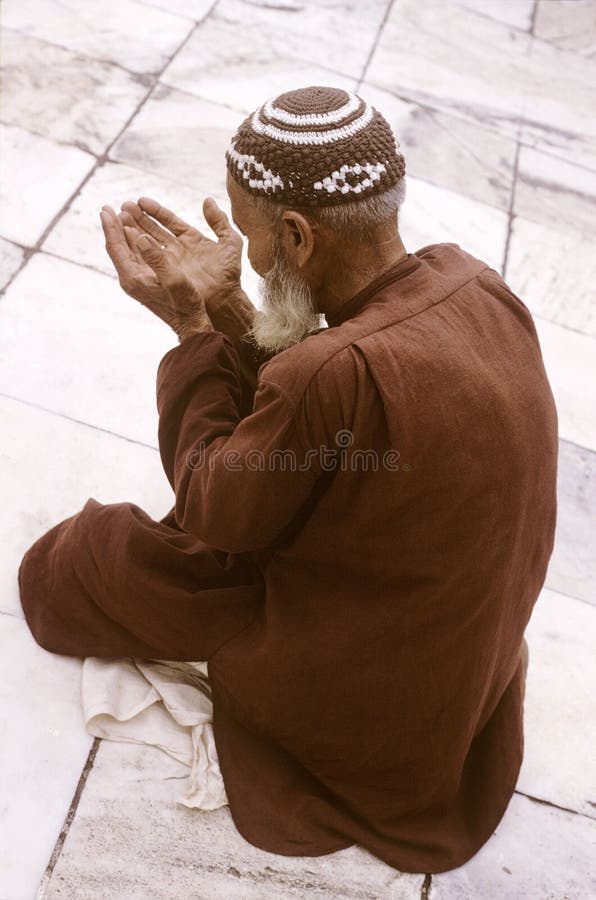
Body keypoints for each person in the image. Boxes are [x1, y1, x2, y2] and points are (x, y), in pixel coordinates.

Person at [18, 85, 558, 874]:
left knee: (74, 564)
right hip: (462, 687)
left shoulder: (328, 372)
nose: (251, 257)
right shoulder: (475, 284)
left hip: (362, 711)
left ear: (299, 237)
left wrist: (193, 328)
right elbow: (326, 405)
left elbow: (216, 509)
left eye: (253, 237)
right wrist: (233, 302)